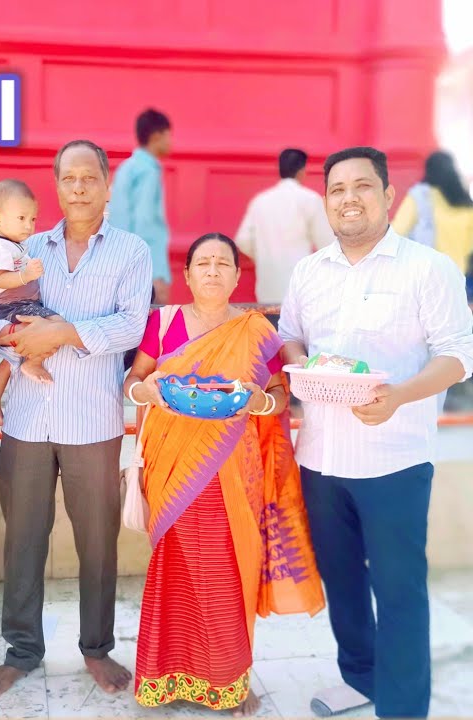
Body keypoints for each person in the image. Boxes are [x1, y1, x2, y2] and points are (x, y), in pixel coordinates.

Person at [279, 147, 473, 719]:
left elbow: (460, 356)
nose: (349, 199)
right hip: (320, 458)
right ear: (326, 202)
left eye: (363, 187)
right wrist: (305, 368)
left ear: (388, 196)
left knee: (399, 590)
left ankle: (405, 708)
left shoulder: (427, 267)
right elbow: (289, 336)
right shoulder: (309, 272)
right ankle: (360, 677)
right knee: (341, 581)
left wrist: (401, 396)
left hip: (395, 460)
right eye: (337, 190)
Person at [0, 139, 152, 698]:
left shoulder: (130, 252)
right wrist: (13, 343)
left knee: (97, 541)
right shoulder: (29, 246)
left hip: (93, 422)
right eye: (68, 179)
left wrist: (64, 333)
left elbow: (131, 326)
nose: (78, 188)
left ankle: (96, 649)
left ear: (106, 184)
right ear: (56, 185)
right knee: (23, 537)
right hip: (28, 421)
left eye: (88, 178)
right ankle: (22, 649)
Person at [124, 233, 325, 716]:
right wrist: (145, 392)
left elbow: (279, 397)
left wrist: (261, 401)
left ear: (237, 275)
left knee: (227, 572)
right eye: (202, 262)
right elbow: (135, 380)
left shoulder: (258, 333)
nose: (212, 271)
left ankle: (229, 680)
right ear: (188, 274)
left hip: (236, 472)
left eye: (222, 263)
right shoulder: (163, 322)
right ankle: (165, 677)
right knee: (176, 571)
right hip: (174, 470)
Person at [0, 179, 65, 424]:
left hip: (24, 303)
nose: (28, 225)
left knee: (10, 358)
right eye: (21, 218)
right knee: (57, 324)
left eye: (33, 219)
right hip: (12, 304)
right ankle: (33, 362)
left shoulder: (16, 245)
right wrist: (25, 275)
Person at [235, 148, 336, 304]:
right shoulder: (309, 199)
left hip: (267, 286)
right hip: (301, 286)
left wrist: (264, 257)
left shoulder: (260, 201)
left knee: (270, 327)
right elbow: (327, 243)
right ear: (302, 171)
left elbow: (242, 240)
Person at [109, 108, 173, 303]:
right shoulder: (148, 172)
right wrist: (157, 275)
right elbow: (146, 222)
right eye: (168, 136)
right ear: (156, 136)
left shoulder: (126, 168)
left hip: (121, 262)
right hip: (147, 266)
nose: (170, 142)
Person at [392, 150, 473, 269]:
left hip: (428, 273)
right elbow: (469, 245)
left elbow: (398, 230)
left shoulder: (421, 196)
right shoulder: (465, 202)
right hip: (457, 274)